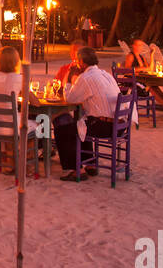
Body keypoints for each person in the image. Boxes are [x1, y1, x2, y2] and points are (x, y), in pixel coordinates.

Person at [55, 46, 129, 181]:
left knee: (63, 130)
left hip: (104, 127)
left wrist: (71, 77)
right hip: (120, 126)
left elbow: (70, 99)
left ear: (82, 62)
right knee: (83, 123)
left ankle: (76, 170)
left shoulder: (86, 77)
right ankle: (90, 164)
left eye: (77, 61)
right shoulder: (106, 74)